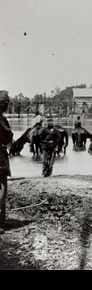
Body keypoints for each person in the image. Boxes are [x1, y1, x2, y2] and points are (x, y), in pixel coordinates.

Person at [0, 91, 13, 234]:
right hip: (0, 156)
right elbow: (8, 135)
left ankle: (2, 220)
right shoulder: (2, 121)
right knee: (2, 187)